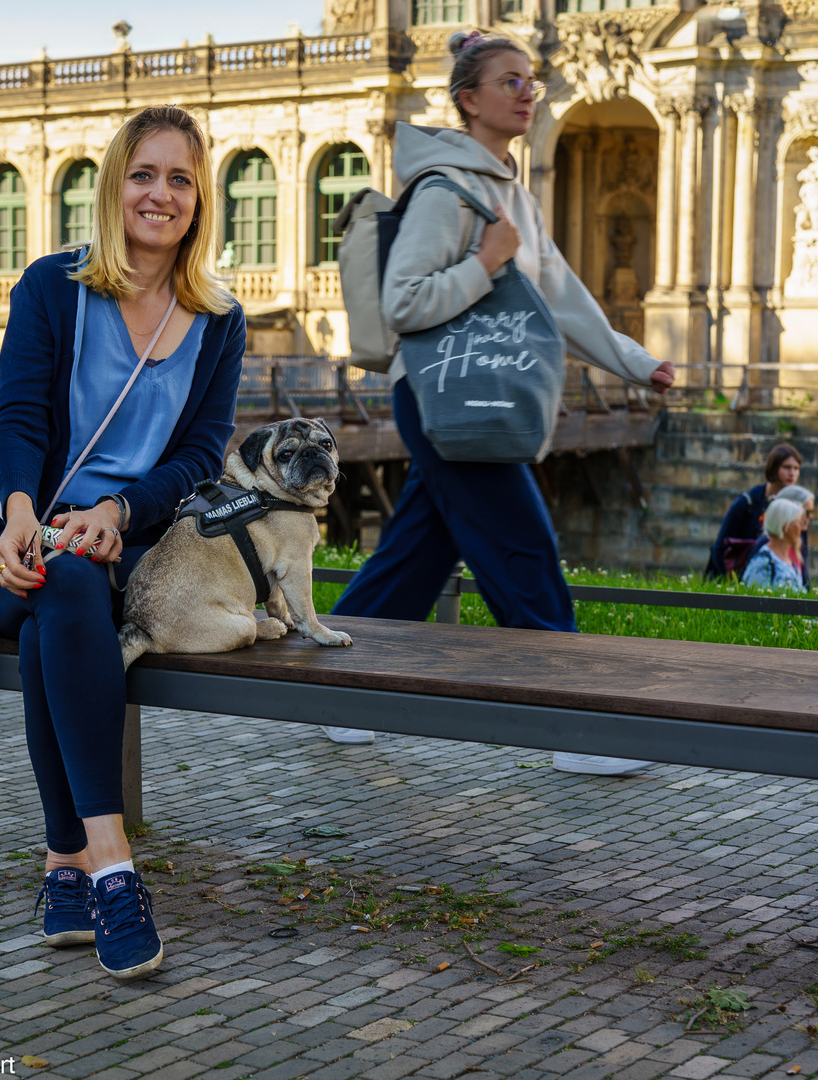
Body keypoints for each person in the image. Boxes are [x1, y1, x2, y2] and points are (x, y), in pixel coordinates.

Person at [0, 106, 245, 981]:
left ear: (199, 199)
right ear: (116, 184)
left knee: (61, 611)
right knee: (58, 581)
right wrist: (20, 514)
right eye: (144, 174)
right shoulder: (52, 286)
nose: (160, 194)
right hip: (27, 542)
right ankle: (114, 868)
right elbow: (21, 421)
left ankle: (62, 867)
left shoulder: (218, 320)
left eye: (180, 179)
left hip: (133, 550)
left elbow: (197, 456)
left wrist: (117, 511)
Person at [323, 31, 676, 777]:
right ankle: (571, 725)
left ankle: (338, 688)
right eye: (509, 81)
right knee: (524, 550)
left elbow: (562, 298)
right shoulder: (446, 189)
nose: (527, 92)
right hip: (448, 400)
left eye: (530, 80)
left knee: (416, 551)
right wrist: (485, 263)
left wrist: (637, 363)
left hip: (470, 397)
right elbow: (405, 301)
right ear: (467, 99)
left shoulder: (511, 191)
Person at [705, 443, 802, 580]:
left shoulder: (795, 508)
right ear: (773, 469)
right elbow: (720, 549)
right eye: (786, 467)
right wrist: (734, 586)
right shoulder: (747, 503)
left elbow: (801, 552)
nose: (792, 474)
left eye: (796, 468)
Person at [747, 484, 814, 588]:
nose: (801, 527)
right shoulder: (763, 561)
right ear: (785, 526)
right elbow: (756, 599)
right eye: (798, 521)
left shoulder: (793, 557)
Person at [741, 498, 807, 593]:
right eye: (798, 523)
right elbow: (755, 603)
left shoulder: (790, 562)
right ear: (786, 526)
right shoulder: (763, 563)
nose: (801, 528)